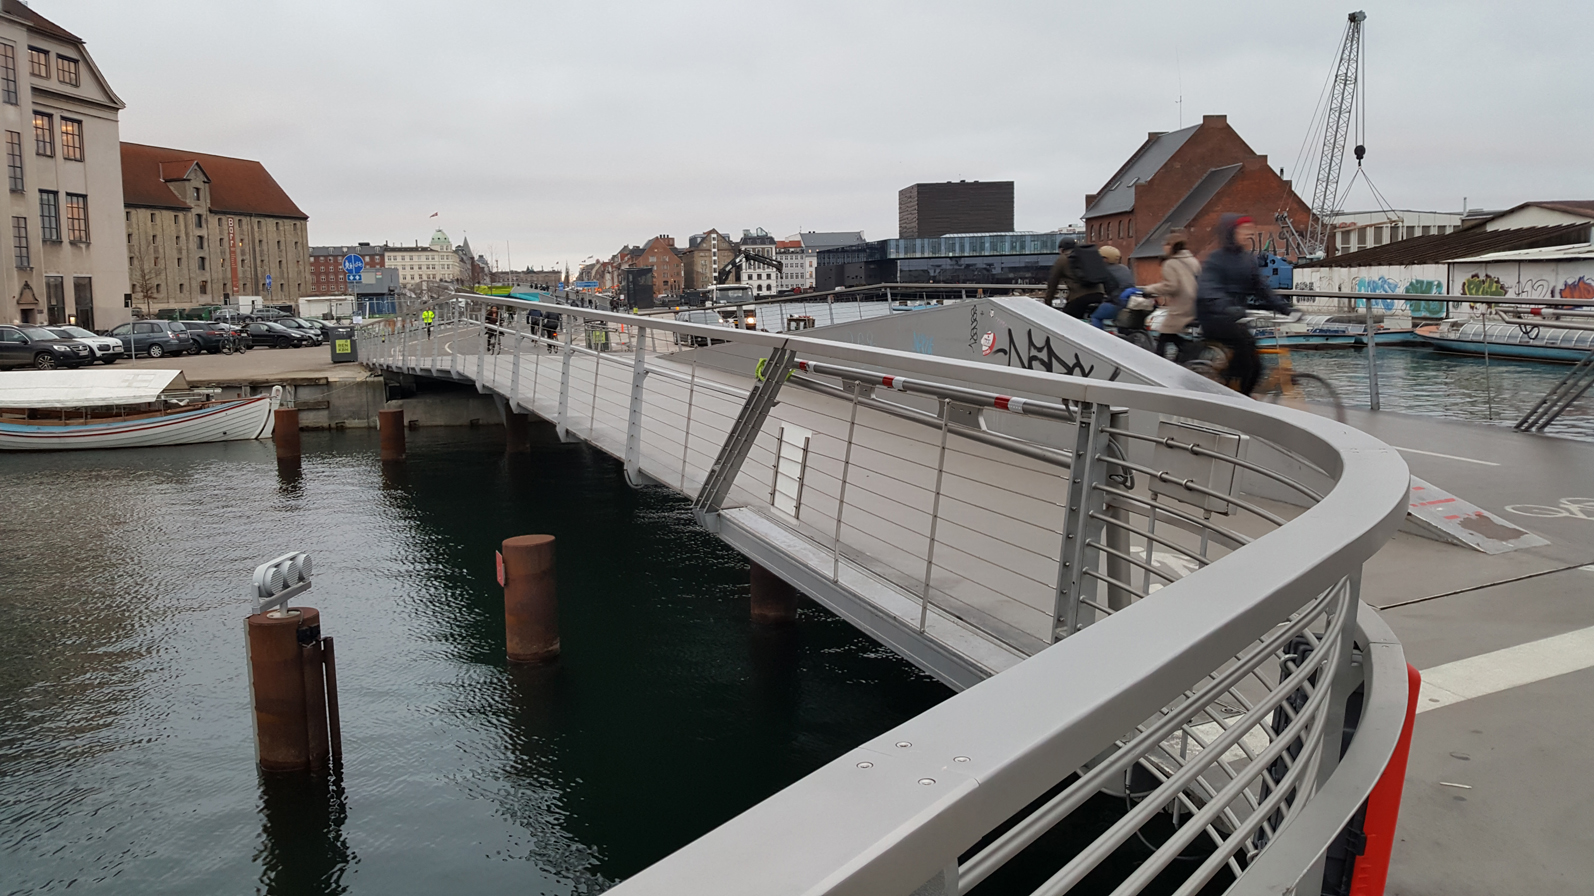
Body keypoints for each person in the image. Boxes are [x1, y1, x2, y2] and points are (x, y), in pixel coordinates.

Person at [1195, 214, 1295, 395]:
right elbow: (1209, 288)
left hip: (1236, 316)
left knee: (1254, 362)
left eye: (1251, 230)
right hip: (1214, 316)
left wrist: (1286, 308)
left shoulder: (1248, 259)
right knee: (1246, 356)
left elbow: (1261, 289)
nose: (1249, 233)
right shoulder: (1216, 259)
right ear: (1232, 232)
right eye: (1244, 229)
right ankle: (1233, 396)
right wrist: (1226, 307)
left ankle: (1241, 394)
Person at [1145, 230, 1200, 361]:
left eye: (1165, 244)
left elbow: (1171, 286)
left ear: (1171, 246)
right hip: (1196, 303)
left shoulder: (1170, 263)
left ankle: (1159, 363)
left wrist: (1149, 289)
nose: (1163, 248)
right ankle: (1182, 355)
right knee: (1169, 334)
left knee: (1166, 333)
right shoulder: (1192, 260)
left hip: (1181, 306)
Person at [1043, 237, 1106, 318]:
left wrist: (1048, 302)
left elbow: (1053, 282)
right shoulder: (1088, 256)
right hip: (1099, 295)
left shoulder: (1063, 259)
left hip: (1079, 298)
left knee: (1064, 321)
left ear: (1061, 250)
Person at [1088, 246, 1138, 329]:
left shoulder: (1104, 270)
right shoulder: (1124, 268)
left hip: (1117, 302)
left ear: (1105, 259)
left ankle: (1097, 338)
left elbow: (1092, 281)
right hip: (1131, 300)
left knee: (1096, 316)